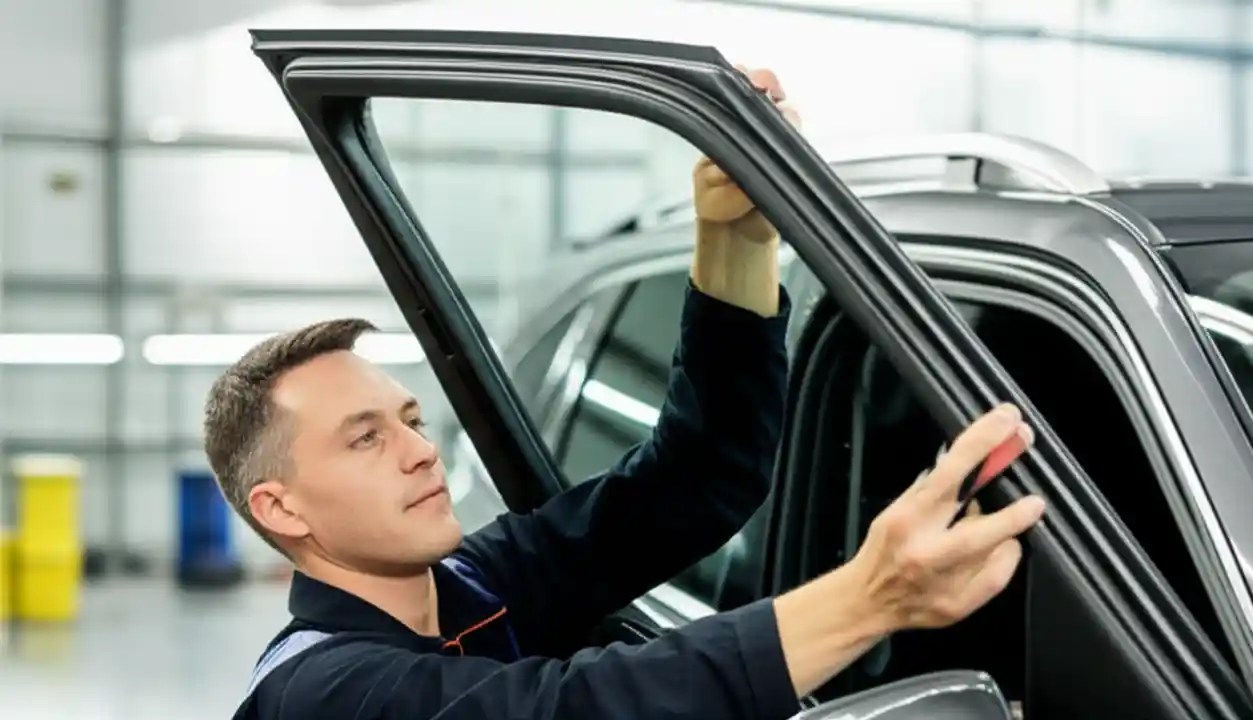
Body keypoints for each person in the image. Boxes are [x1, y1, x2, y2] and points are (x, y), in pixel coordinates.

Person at [207, 68, 1045, 720]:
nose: (422, 449)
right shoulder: (321, 692)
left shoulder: (475, 585)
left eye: (411, 418)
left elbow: (698, 476)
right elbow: (575, 711)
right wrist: (869, 597)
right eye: (365, 438)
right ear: (282, 509)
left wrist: (733, 237)